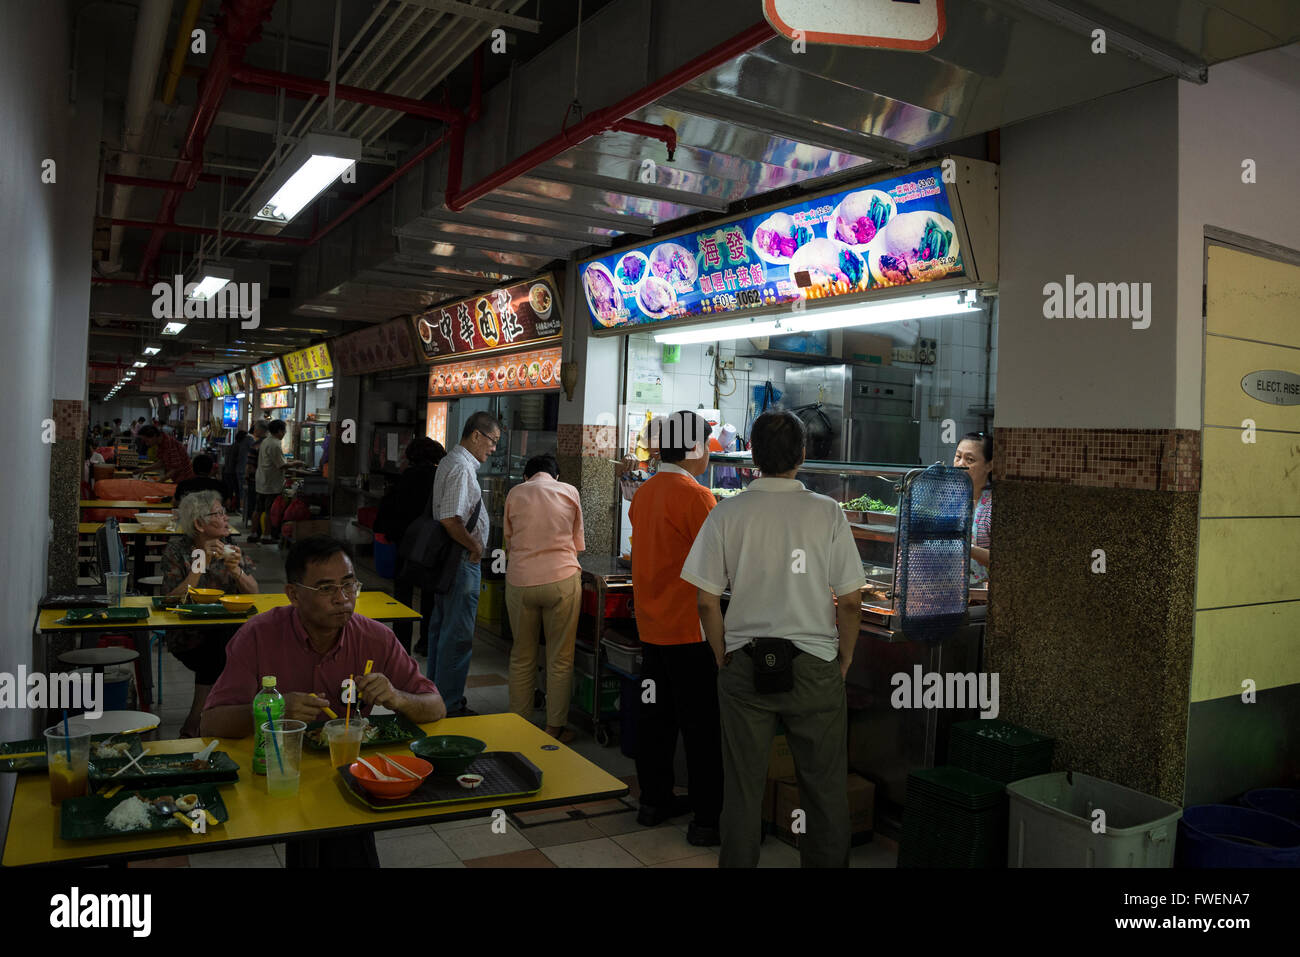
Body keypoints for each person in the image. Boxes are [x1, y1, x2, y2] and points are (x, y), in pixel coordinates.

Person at [681, 410, 865, 867]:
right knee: (824, 790)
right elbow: (851, 601)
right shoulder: (828, 513)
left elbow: (706, 601)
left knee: (742, 789)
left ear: (754, 458)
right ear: (802, 455)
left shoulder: (727, 511)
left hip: (744, 665)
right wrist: (841, 661)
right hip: (816, 665)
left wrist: (722, 652)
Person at [200, 536, 444, 869]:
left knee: (347, 842)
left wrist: (397, 697)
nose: (343, 599)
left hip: (350, 775)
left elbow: (435, 707)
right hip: (278, 778)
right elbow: (211, 722)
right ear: (293, 594)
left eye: (349, 585)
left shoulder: (376, 637)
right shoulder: (258, 636)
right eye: (327, 589)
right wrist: (276, 709)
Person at [627, 410, 722, 845]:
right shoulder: (696, 496)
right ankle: (706, 821)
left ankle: (653, 801)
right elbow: (718, 566)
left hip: (651, 627)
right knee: (701, 727)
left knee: (656, 719)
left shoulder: (645, 492)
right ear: (694, 449)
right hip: (690, 631)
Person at [160, 490, 258, 738]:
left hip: (227, 630)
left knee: (235, 638)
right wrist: (199, 563)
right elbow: (171, 598)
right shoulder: (177, 550)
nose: (226, 518)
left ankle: (208, 720)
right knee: (221, 644)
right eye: (219, 513)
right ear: (198, 524)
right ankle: (199, 720)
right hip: (188, 633)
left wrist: (236, 571)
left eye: (224, 512)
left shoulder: (231, 548)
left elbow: (254, 593)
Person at [502, 453, 584, 742]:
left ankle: (520, 726)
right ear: (556, 476)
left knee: (522, 656)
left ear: (527, 476)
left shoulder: (515, 493)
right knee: (560, 658)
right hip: (562, 580)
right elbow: (578, 543)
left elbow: (509, 541)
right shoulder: (570, 491)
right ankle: (554, 729)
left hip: (521, 580)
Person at [425, 411, 499, 717]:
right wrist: (475, 546)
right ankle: (449, 705)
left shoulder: (455, 463)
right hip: (460, 560)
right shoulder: (460, 467)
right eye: (492, 441)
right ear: (476, 435)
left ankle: (434, 697)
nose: (493, 448)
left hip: (452, 561)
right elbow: (450, 519)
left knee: (442, 630)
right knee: (457, 637)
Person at [376, 437, 446, 653]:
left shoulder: (405, 477)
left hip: (404, 544)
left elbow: (387, 508)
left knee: (403, 594)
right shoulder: (440, 479)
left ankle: (401, 644)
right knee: (428, 596)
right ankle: (425, 642)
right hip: (431, 546)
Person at [955, 431, 993, 586]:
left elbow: (1007, 561)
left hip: (981, 595)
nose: (960, 464)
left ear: (989, 465)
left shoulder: (993, 507)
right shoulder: (948, 497)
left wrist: (966, 547)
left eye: (969, 459)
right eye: (958, 457)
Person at [252, 419, 296, 544]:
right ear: (279, 431)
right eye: (284, 431)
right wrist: (296, 463)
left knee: (258, 509)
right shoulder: (275, 444)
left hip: (262, 480)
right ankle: (266, 536)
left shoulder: (266, 441)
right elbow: (281, 465)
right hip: (271, 482)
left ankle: (254, 534)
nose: (285, 433)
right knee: (269, 510)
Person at [244, 420, 266, 533]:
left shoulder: (256, 445)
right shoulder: (268, 444)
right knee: (262, 507)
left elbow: (250, 465)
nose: (255, 431)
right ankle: (261, 530)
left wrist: (247, 478)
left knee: (255, 506)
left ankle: (255, 530)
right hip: (265, 481)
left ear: (260, 430)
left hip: (254, 480)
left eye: (256, 428)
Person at [222, 430, 250, 514]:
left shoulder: (232, 446)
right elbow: (238, 460)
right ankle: (237, 508)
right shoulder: (239, 447)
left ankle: (229, 508)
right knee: (237, 491)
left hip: (227, 471)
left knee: (229, 491)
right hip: (233, 472)